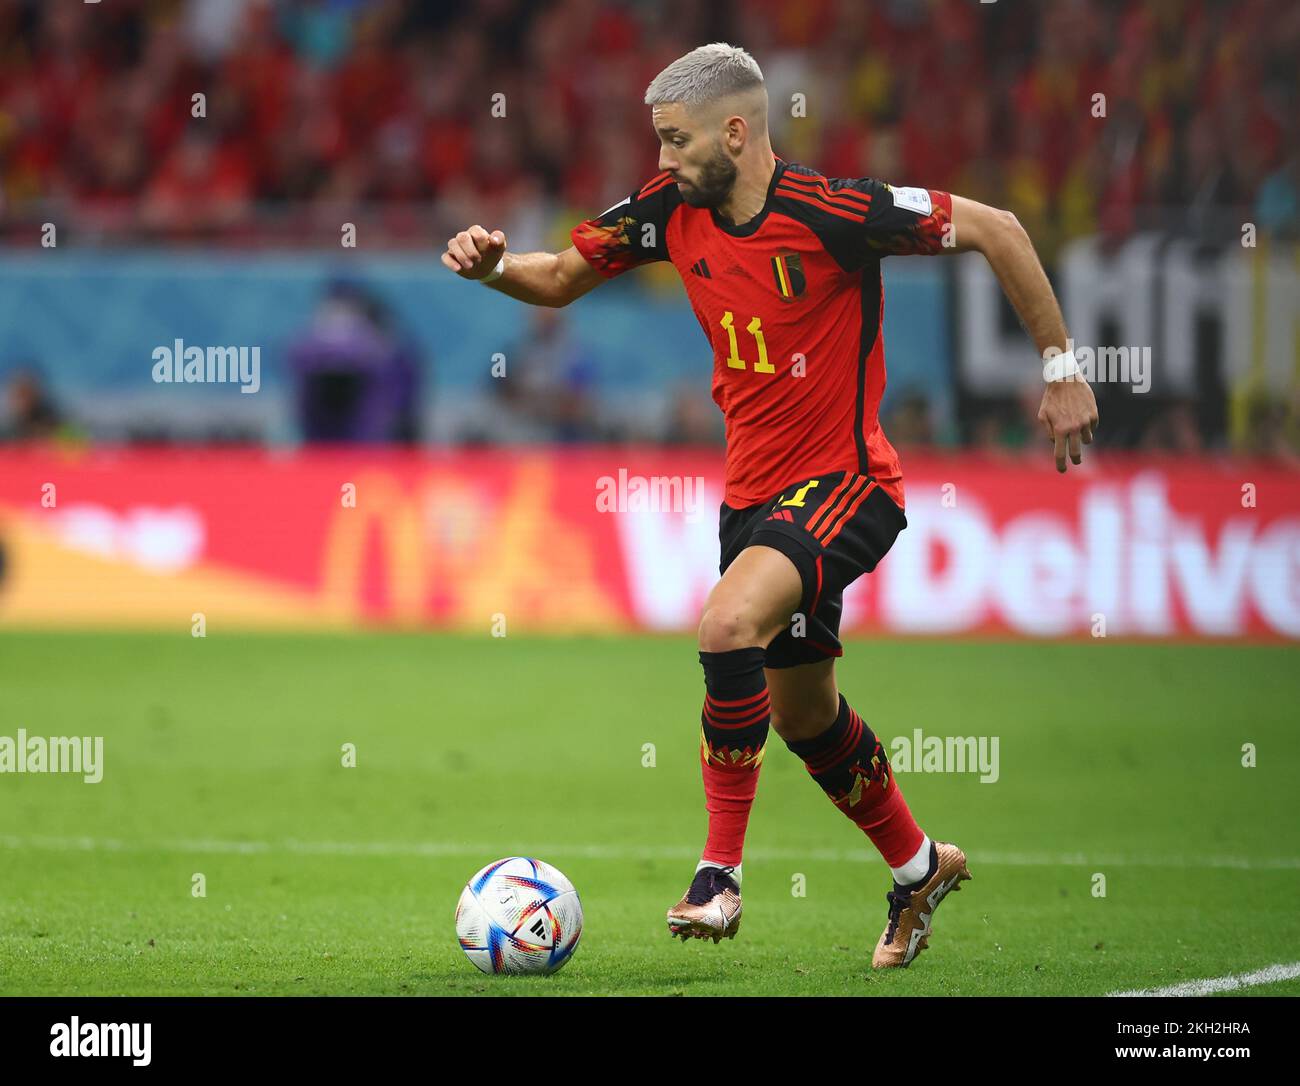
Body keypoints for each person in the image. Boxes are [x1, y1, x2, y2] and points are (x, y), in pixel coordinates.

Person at [440, 43, 1098, 969]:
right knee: (804, 718)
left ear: (736, 132)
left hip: (847, 483)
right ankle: (919, 871)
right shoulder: (671, 211)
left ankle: (718, 874)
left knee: (725, 625)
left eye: (676, 141)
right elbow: (554, 278)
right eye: (658, 142)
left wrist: (1062, 370)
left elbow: (999, 227)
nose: (662, 161)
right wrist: (492, 267)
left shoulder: (837, 213)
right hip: (752, 500)